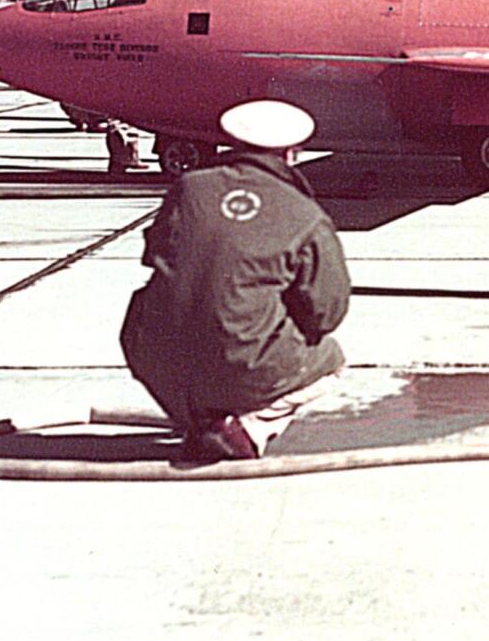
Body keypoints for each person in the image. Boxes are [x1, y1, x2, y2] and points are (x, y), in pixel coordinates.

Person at [120, 99, 351, 461]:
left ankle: (199, 420)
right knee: (331, 360)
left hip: (155, 357)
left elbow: (154, 253)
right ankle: (244, 430)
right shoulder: (304, 213)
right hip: (242, 366)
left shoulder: (189, 189)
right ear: (291, 153)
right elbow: (327, 312)